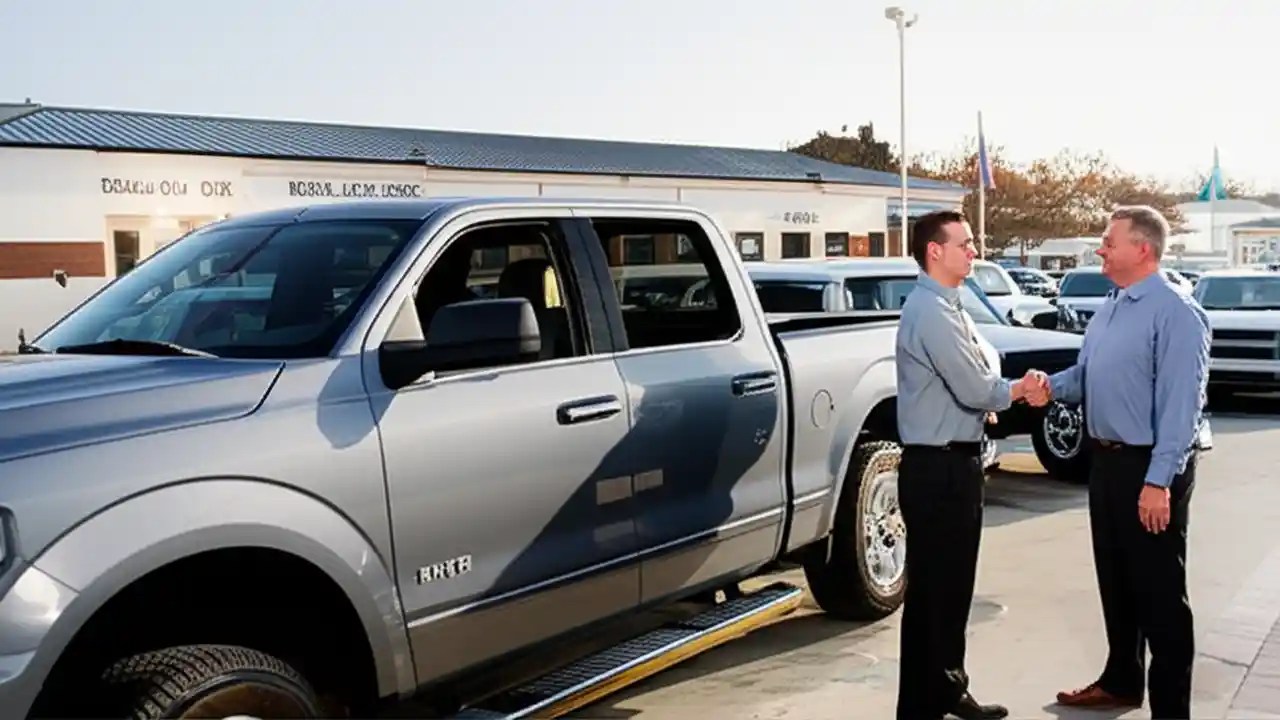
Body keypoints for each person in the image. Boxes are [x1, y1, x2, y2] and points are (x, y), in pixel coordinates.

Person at [1025, 205, 1210, 719]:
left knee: (1160, 595)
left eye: (1109, 242)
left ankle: (1171, 710)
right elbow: (1087, 375)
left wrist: (1158, 482)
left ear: (1142, 249)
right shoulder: (1110, 306)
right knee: (1117, 579)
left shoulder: (1175, 313)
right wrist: (1050, 388)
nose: (1100, 250)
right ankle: (1121, 681)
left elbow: (1181, 407)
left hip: (1150, 467)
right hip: (1105, 463)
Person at [894, 209, 1044, 720]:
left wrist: (991, 398)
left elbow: (977, 375)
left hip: (955, 463)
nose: (974, 250)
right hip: (936, 470)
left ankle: (947, 689)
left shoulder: (951, 305)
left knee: (953, 588)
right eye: (965, 243)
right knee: (935, 594)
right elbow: (976, 385)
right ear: (935, 251)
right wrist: (1019, 390)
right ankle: (921, 706)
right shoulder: (931, 311)